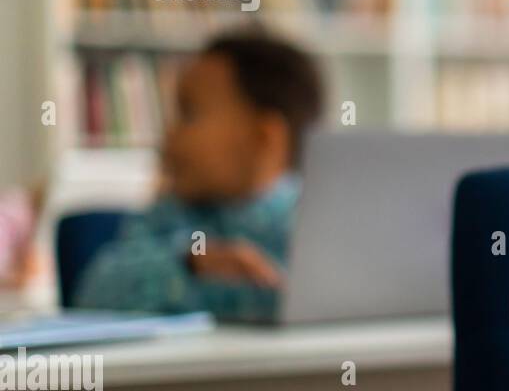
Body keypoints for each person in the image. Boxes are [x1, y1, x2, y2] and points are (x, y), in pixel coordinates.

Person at [75, 28, 323, 321]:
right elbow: (92, 293)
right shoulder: (169, 218)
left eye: (188, 114)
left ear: (263, 138)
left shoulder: (315, 224)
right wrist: (190, 263)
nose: (169, 135)